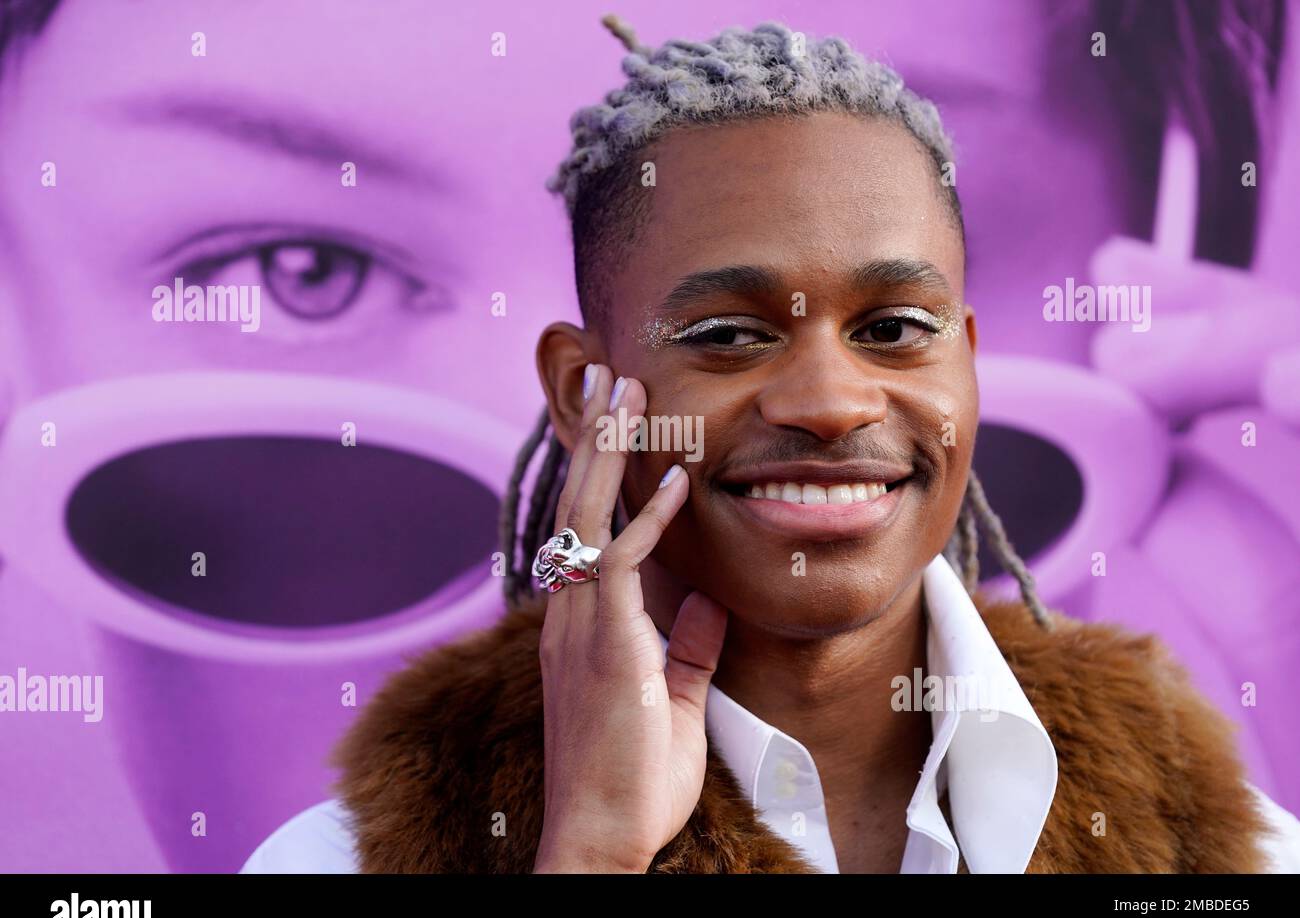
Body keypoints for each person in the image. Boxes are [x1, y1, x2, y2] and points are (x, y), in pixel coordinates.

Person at [242, 16, 1300, 873]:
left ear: (964, 366)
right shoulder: (345, 863)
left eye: (893, 331)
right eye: (728, 336)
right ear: (580, 393)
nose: (833, 404)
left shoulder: (1210, 847)